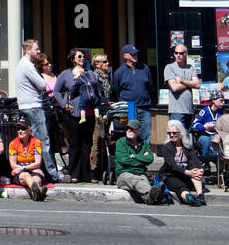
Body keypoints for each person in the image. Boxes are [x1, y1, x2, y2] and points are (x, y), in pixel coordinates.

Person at [15, 39, 59, 181]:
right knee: (43, 141)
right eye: (36, 49)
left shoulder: (24, 65)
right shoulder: (27, 65)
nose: (38, 51)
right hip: (33, 106)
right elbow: (42, 84)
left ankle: (40, 171)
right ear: (28, 50)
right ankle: (52, 174)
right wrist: (41, 83)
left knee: (35, 141)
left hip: (27, 105)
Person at [54, 47, 97, 183]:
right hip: (72, 113)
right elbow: (56, 91)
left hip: (88, 113)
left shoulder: (89, 73)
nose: (82, 59)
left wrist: (83, 77)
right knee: (75, 143)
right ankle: (74, 173)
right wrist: (63, 104)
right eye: (79, 57)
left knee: (86, 143)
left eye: (83, 57)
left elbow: (95, 85)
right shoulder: (66, 74)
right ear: (72, 59)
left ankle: (87, 173)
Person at [111, 44, 155, 144]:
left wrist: (149, 100)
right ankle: (132, 156)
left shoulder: (145, 68)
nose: (135, 55)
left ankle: (144, 157)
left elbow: (151, 86)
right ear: (125, 56)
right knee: (131, 134)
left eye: (136, 53)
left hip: (144, 106)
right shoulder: (119, 72)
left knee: (146, 134)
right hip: (129, 107)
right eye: (132, 54)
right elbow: (116, 90)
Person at [159, 119, 205, 206]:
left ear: (180, 133)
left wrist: (200, 169)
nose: (171, 135)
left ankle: (200, 196)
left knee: (195, 170)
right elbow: (172, 166)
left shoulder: (187, 146)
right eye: (169, 133)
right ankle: (188, 198)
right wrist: (188, 172)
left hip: (186, 175)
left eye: (174, 133)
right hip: (172, 176)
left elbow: (194, 160)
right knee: (181, 187)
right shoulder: (166, 147)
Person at [115, 116, 154, 204]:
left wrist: (135, 156)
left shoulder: (143, 143)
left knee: (142, 179)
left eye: (132, 129)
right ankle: (152, 194)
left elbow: (150, 159)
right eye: (127, 128)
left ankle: (149, 197)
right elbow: (124, 160)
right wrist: (142, 160)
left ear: (139, 131)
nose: (129, 130)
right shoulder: (121, 142)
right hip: (124, 174)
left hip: (140, 174)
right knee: (136, 180)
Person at [8, 115, 46, 201]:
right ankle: (38, 192)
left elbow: (38, 163)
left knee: (37, 180)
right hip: (21, 173)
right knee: (26, 175)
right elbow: (13, 165)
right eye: (18, 129)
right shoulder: (13, 144)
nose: (20, 131)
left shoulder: (36, 142)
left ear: (29, 130)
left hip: (24, 169)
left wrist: (24, 168)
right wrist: (28, 169)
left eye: (23, 128)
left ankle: (36, 194)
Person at [164, 44, 200, 131]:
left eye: (181, 53)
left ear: (186, 54)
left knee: (187, 139)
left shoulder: (190, 68)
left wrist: (181, 80)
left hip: (189, 110)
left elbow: (198, 85)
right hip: (176, 111)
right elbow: (174, 88)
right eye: (176, 53)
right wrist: (190, 83)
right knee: (176, 138)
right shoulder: (169, 67)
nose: (178, 55)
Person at [89, 53, 113, 182]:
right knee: (96, 140)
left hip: (108, 110)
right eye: (104, 62)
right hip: (98, 112)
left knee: (107, 139)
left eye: (107, 61)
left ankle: (106, 166)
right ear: (97, 65)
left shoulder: (107, 77)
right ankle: (94, 169)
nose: (107, 64)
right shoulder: (94, 78)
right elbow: (97, 97)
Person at [192, 92, 227, 159]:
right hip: (204, 135)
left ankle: (217, 160)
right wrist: (204, 126)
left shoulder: (222, 112)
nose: (223, 103)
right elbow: (194, 124)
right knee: (205, 140)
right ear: (213, 100)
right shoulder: (204, 111)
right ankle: (206, 161)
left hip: (217, 135)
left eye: (223, 101)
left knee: (214, 139)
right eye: (221, 101)